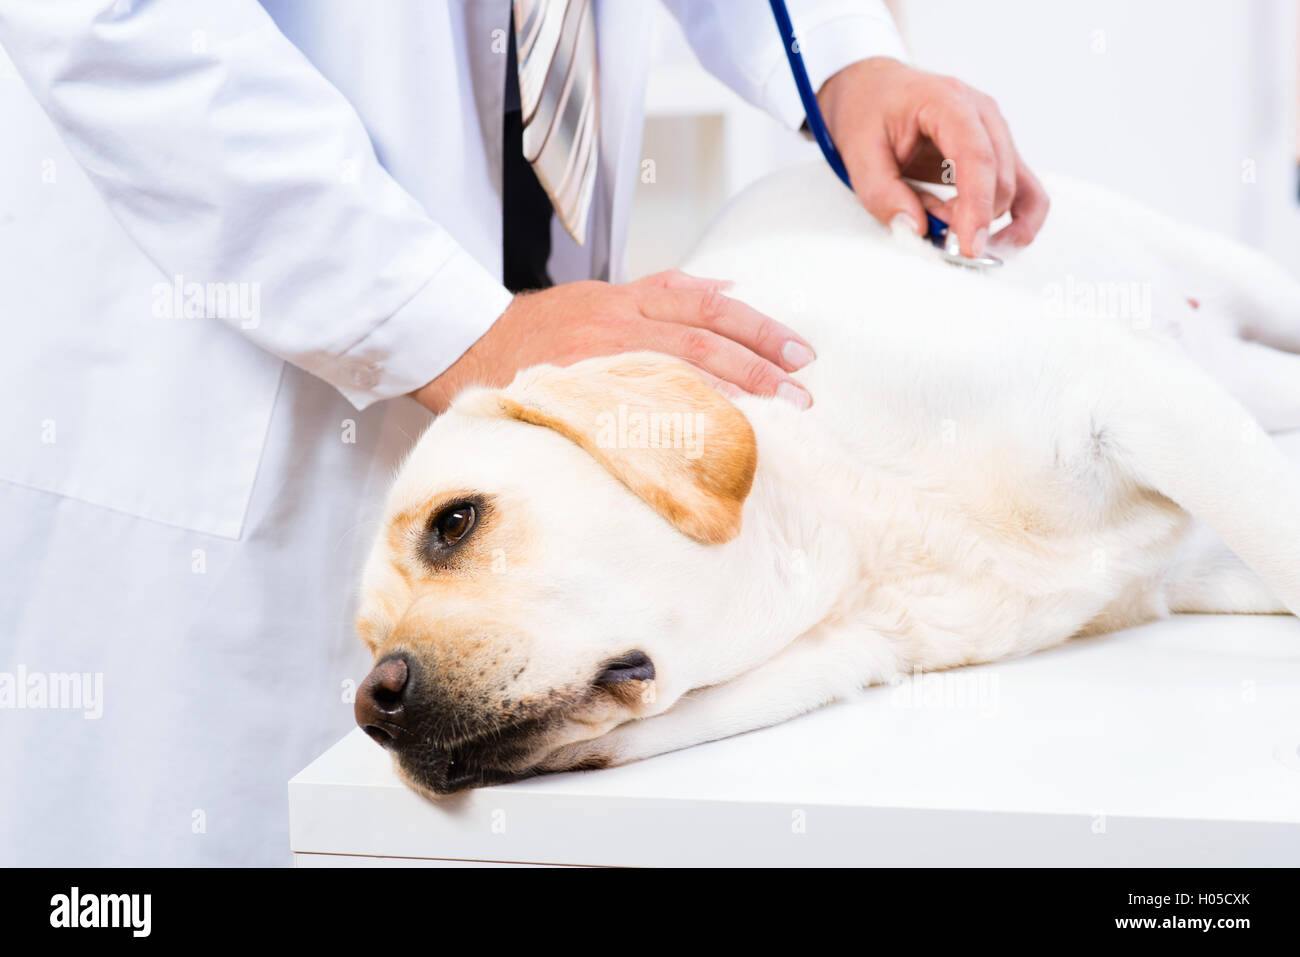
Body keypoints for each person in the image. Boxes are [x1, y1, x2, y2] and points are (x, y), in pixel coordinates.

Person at [0, 0, 1048, 865]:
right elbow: (114, 21)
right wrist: (450, 324)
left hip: (524, 340)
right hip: (215, 399)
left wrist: (841, 59)